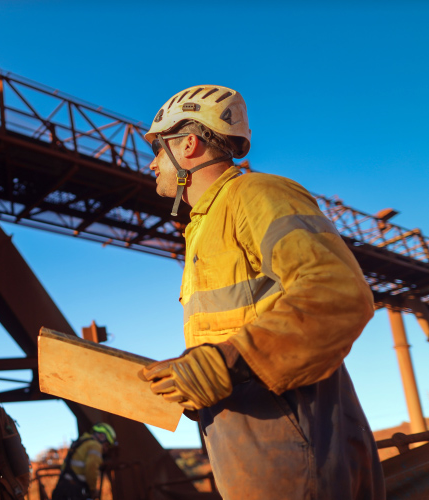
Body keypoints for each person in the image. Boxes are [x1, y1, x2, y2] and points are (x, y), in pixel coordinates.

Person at [138, 85, 385, 499]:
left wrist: (229, 363)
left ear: (189, 145)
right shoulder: (204, 226)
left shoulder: (256, 195)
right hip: (245, 436)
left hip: (290, 432)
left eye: (159, 150)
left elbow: (339, 291)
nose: (152, 164)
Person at [51, 422, 116, 500]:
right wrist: (93, 490)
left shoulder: (81, 442)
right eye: (106, 444)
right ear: (101, 436)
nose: (105, 449)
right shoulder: (95, 445)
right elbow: (91, 468)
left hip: (61, 488)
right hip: (74, 491)